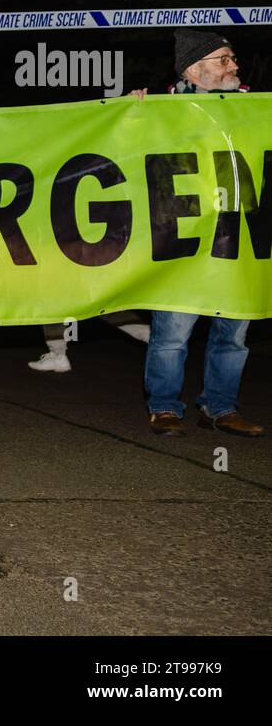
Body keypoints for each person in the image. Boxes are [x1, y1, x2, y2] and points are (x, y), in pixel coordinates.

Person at [142, 29, 262, 437]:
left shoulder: (252, 107)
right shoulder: (158, 110)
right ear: (193, 69)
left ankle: (221, 407)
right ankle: (163, 407)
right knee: (173, 331)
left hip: (238, 235)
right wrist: (126, 111)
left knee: (234, 331)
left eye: (232, 58)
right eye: (223, 59)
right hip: (183, 236)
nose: (234, 66)